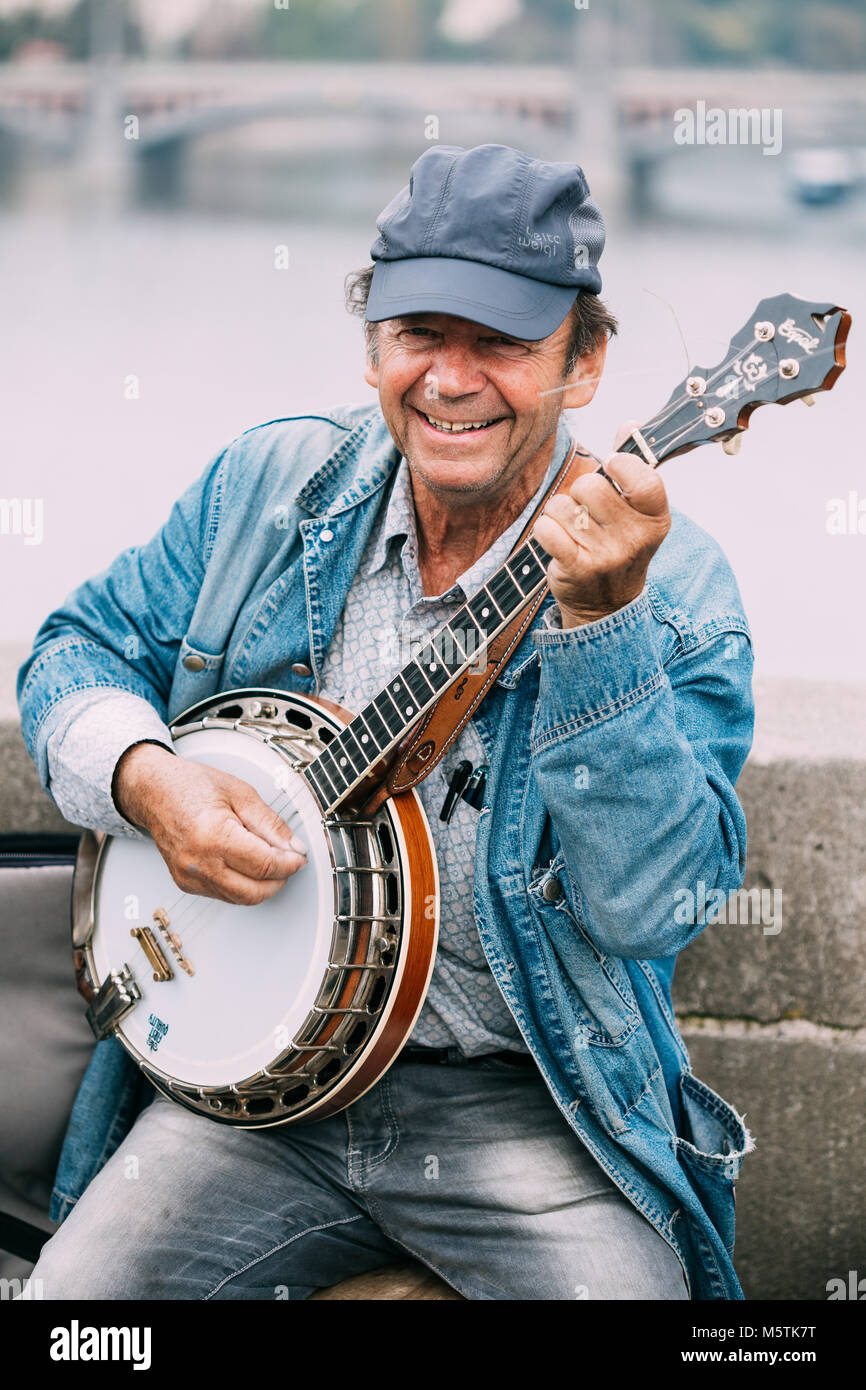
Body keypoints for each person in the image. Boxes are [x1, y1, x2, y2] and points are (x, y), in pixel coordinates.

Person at [18, 143, 755, 1301]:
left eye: (501, 342)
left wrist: (598, 630)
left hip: (526, 1112)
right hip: (251, 1099)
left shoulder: (675, 595)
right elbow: (73, 652)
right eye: (419, 333)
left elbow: (650, 909)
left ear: (585, 361)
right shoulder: (265, 490)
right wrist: (149, 779)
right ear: (371, 343)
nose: (450, 379)